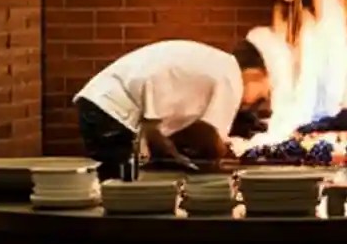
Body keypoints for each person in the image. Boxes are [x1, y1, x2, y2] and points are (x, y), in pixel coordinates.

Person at [74, 39, 270, 180]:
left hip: (102, 101)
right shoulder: (231, 78)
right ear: (255, 74)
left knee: (121, 189)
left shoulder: (217, 64)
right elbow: (211, 139)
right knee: (122, 193)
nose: (262, 101)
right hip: (112, 110)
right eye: (264, 93)